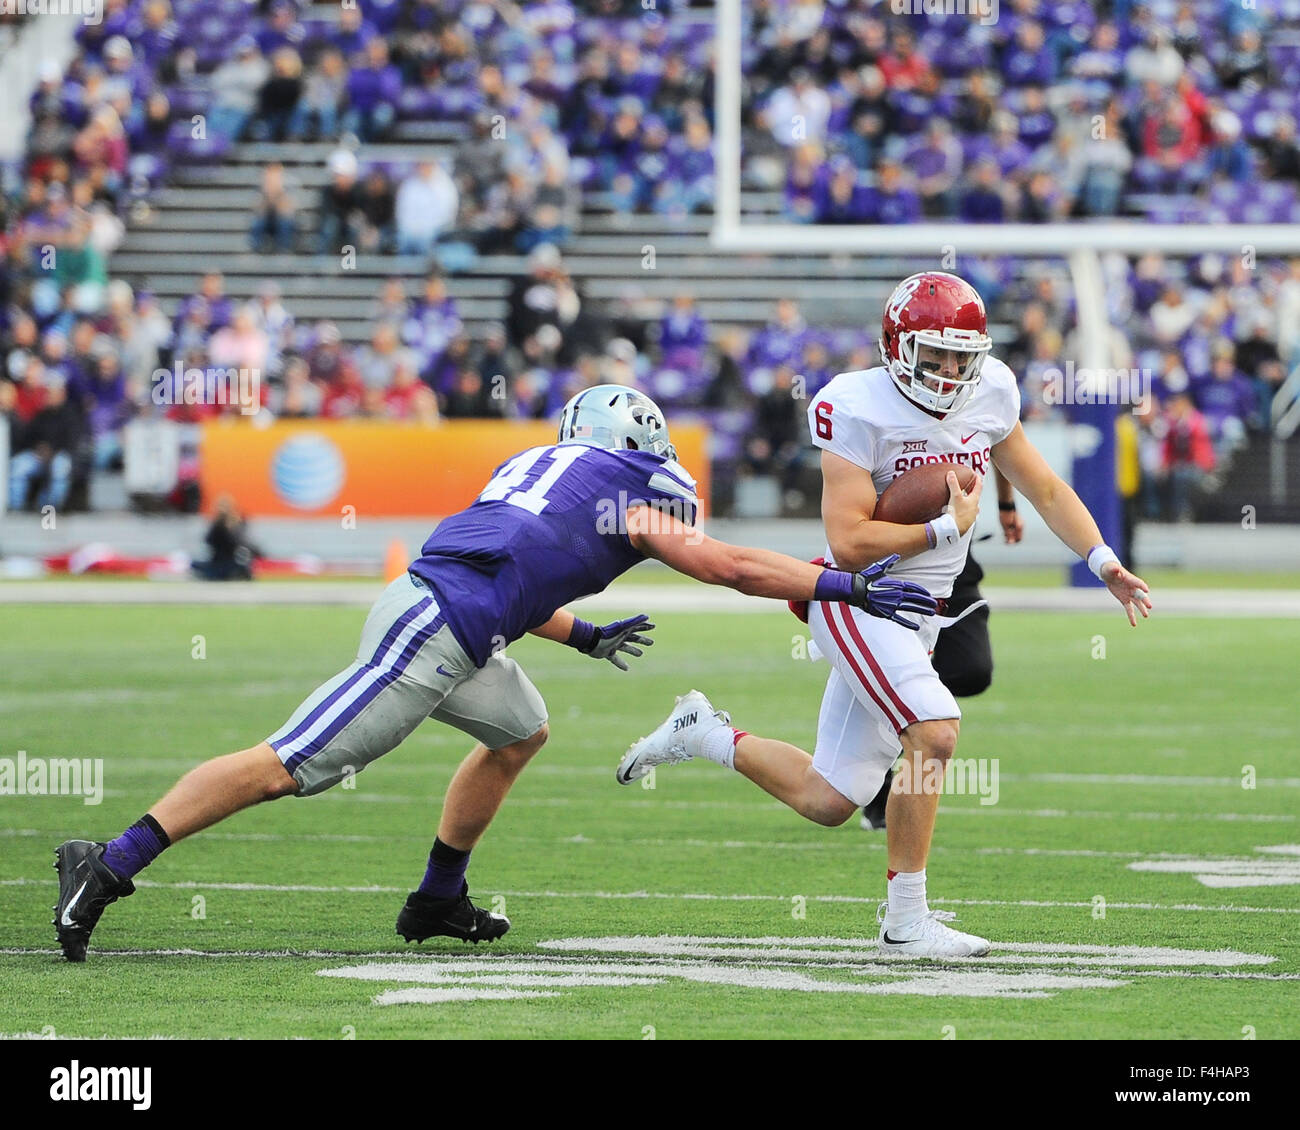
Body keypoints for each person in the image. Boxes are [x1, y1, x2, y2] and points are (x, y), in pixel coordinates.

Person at [51, 385, 937, 962]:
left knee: (520, 730)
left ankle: (438, 898)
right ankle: (110, 859)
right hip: (435, 628)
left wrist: (582, 632)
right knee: (291, 764)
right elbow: (726, 565)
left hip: (453, 615)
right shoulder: (627, 485)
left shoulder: (540, 468)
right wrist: (841, 581)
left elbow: (513, 568)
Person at [619, 273, 1152, 959]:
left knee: (829, 799)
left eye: (964, 355)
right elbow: (848, 541)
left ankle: (705, 733)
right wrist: (940, 529)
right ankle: (906, 919)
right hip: (857, 594)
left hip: (923, 611)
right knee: (936, 732)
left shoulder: (990, 394)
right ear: (899, 346)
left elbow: (1044, 486)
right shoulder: (856, 403)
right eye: (937, 354)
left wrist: (1103, 560)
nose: (953, 370)